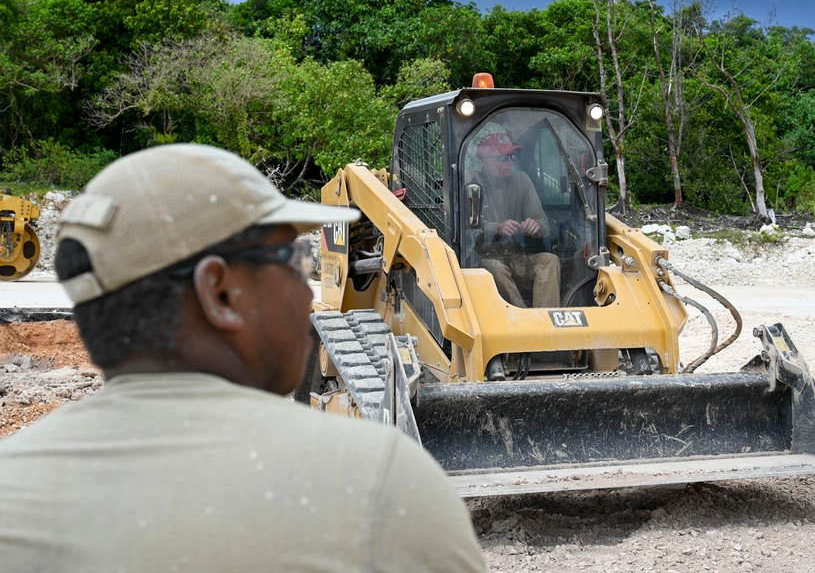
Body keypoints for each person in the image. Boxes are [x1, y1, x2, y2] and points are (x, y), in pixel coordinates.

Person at [0, 144, 485, 573]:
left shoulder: (13, 491)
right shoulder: (382, 487)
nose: (306, 292)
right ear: (220, 293)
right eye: (291, 261)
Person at [472, 132, 560, 315]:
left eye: (512, 156)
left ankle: (545, 320)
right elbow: (465, 228)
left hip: (518, 256)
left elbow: (543, 224)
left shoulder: (522, 180)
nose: (510, 162)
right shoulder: (472, 183)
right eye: (503, 157)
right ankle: (522, 317)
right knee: (493, 267)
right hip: (485, 257)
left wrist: (535, 225)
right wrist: (496, 227)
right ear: (486, 161)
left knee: (550, 261)